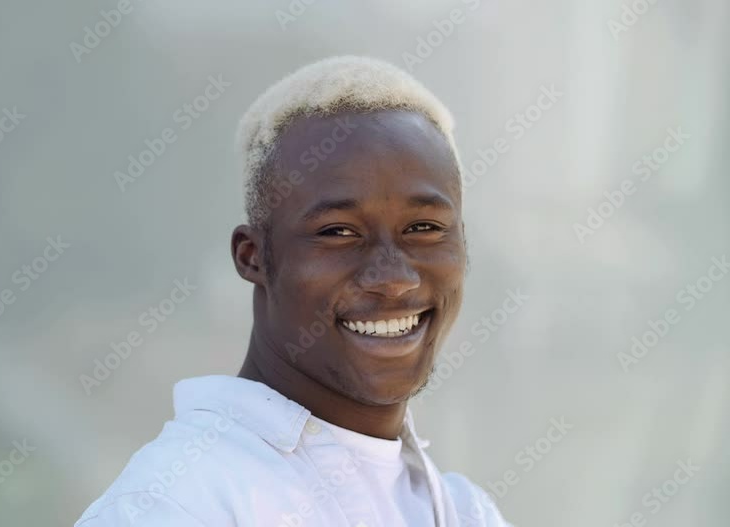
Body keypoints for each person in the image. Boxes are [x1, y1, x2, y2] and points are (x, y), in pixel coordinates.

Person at [76, 56, 512, 526]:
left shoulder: (466, 512)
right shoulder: (176, 503)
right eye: (339, 232)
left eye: (423, 227)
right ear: (252, 256)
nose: (393, 277)